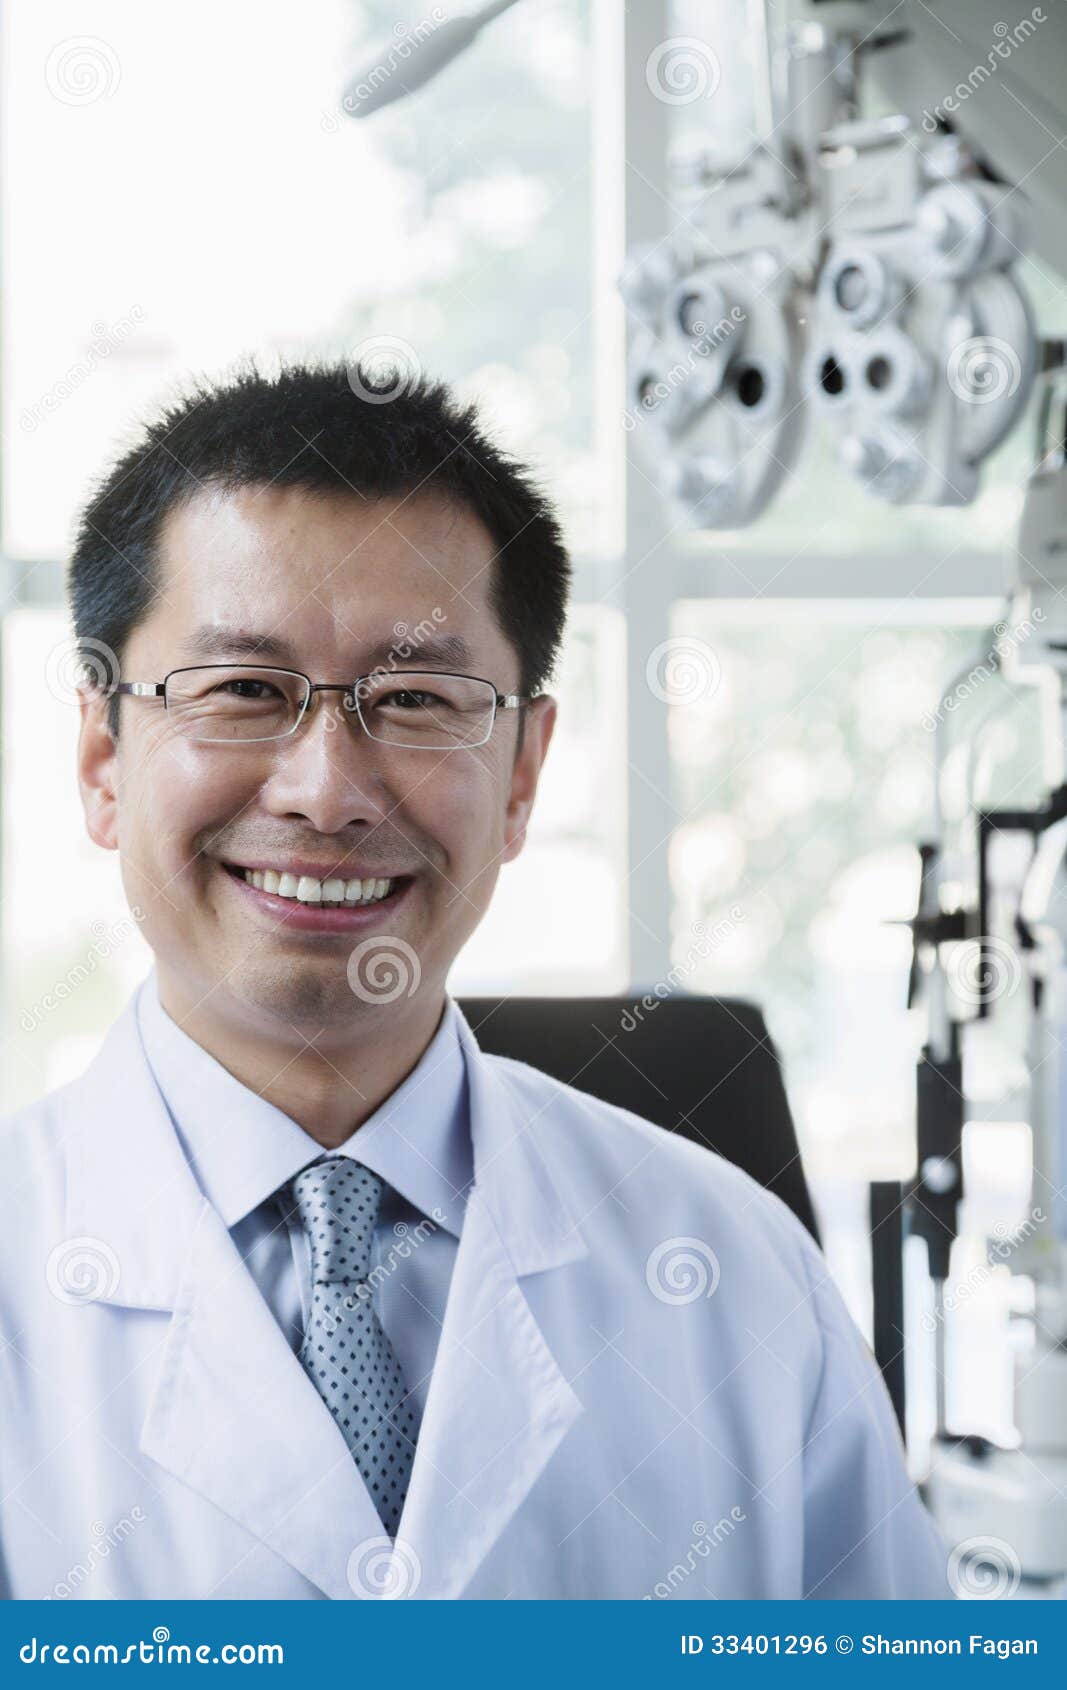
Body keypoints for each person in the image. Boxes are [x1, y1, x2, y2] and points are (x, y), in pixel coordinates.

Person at [0, 359, 953, 1600]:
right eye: (241, 689)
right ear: (100, 757)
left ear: (519, 773)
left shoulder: (735, 1271)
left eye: (415, 698)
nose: (326, 790)